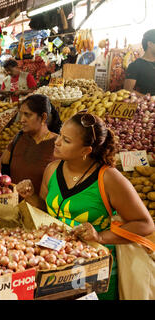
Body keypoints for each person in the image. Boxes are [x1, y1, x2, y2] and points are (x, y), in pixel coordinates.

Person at [16, 111, 155, 300]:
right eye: (60, 135)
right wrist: (30, 196)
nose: (56, 142)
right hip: (59, 265)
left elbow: (145, 224)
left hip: (96, 271)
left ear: (85, 151)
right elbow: (45, 213)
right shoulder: (52, 170)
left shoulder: (108, 178)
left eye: (66, 140)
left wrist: (100, 236)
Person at [0, 94, 62, 196]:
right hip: (13, 205)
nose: (22, 119)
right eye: (21, 114)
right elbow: (3, 162)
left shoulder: (57, 144)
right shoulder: (19, 137)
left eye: (27, 115)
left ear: (43, 117)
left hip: (38, 208)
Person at [124, 29, 155, 96]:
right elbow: (128, 90)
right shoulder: (135, 66)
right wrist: (150, 99)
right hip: (145, 105)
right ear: (150, 44)